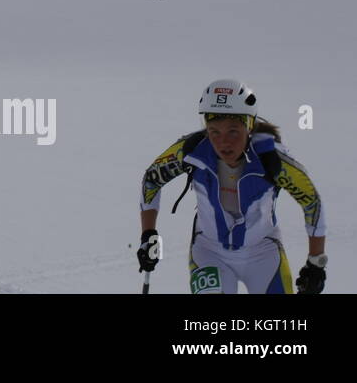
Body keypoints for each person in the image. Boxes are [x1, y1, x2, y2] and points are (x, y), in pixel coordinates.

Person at [137, 79, 326, 294]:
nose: (223, 142)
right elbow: (152, 180)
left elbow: (311, 201)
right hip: (209, 251)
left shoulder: (272, 158)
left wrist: (316, 263)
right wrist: (149, 234)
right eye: (214, 131)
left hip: (263, 252)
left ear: (249, 126)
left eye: (233, 131)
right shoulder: (192, 151)